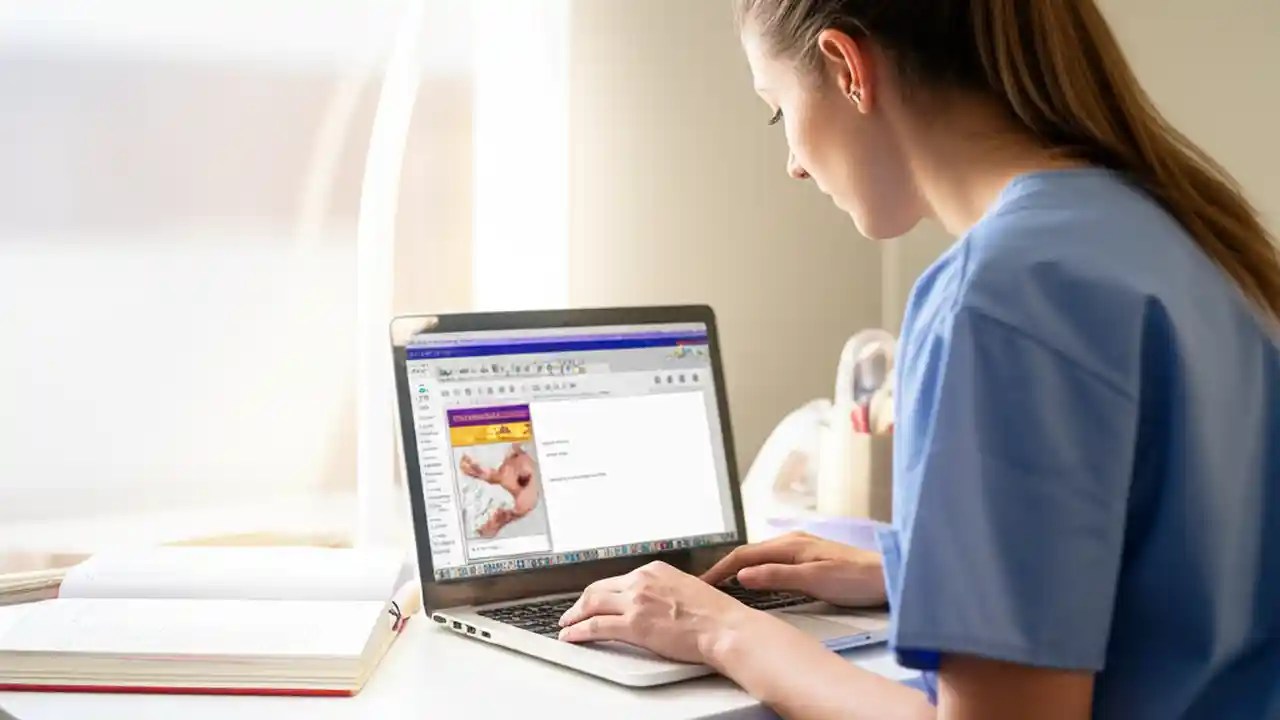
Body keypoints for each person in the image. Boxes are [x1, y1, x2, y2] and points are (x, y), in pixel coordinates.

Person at [556, 1, 1280, 718]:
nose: (793, 166)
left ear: (846, 68)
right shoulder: (1184, 236)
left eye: (778, 111)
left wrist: (722, 629)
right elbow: (1181, 564)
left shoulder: (1002, 295)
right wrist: (911, 576)